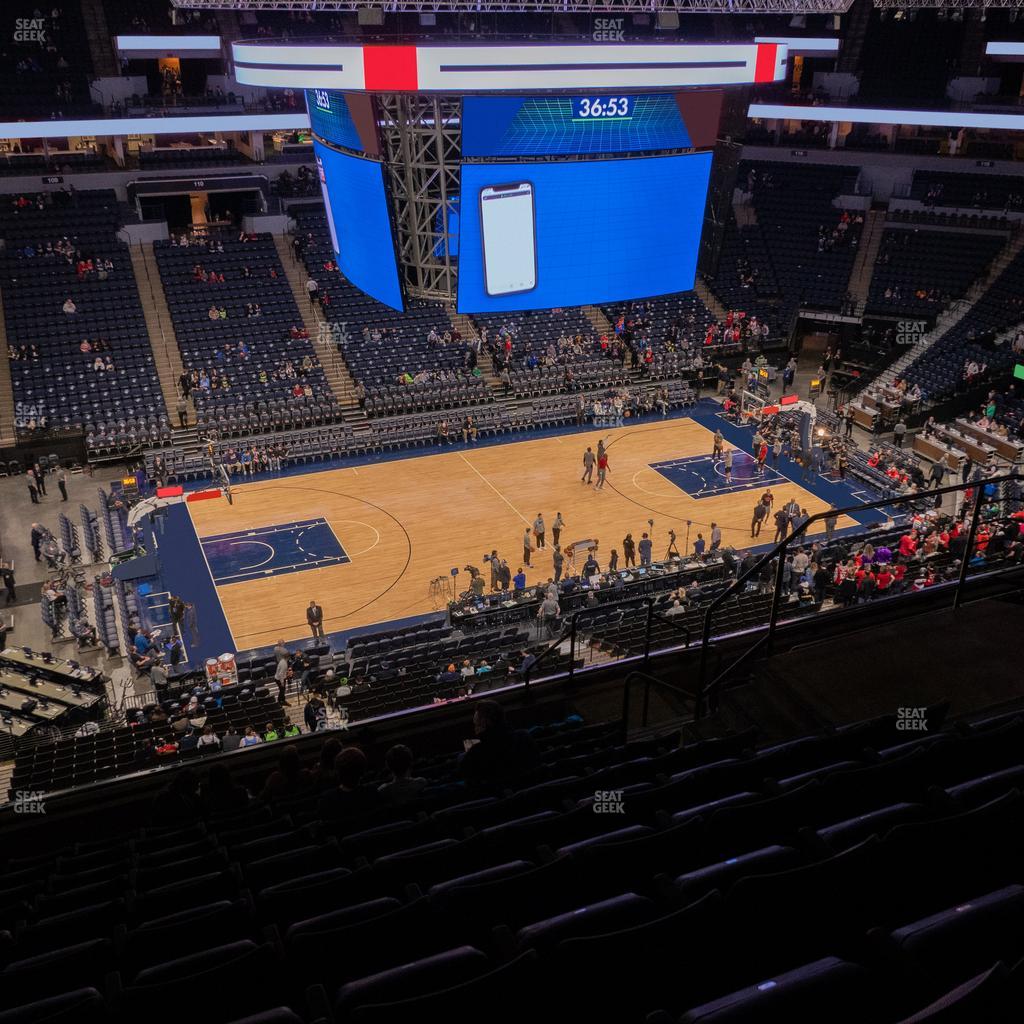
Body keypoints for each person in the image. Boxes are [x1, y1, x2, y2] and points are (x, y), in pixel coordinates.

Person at [458, 700, 539, 787]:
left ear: (485, 723)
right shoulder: (524, 736)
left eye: (477, 725)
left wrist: (467, 755)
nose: (475, 730)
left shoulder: (476, 752)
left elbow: (466, 776)